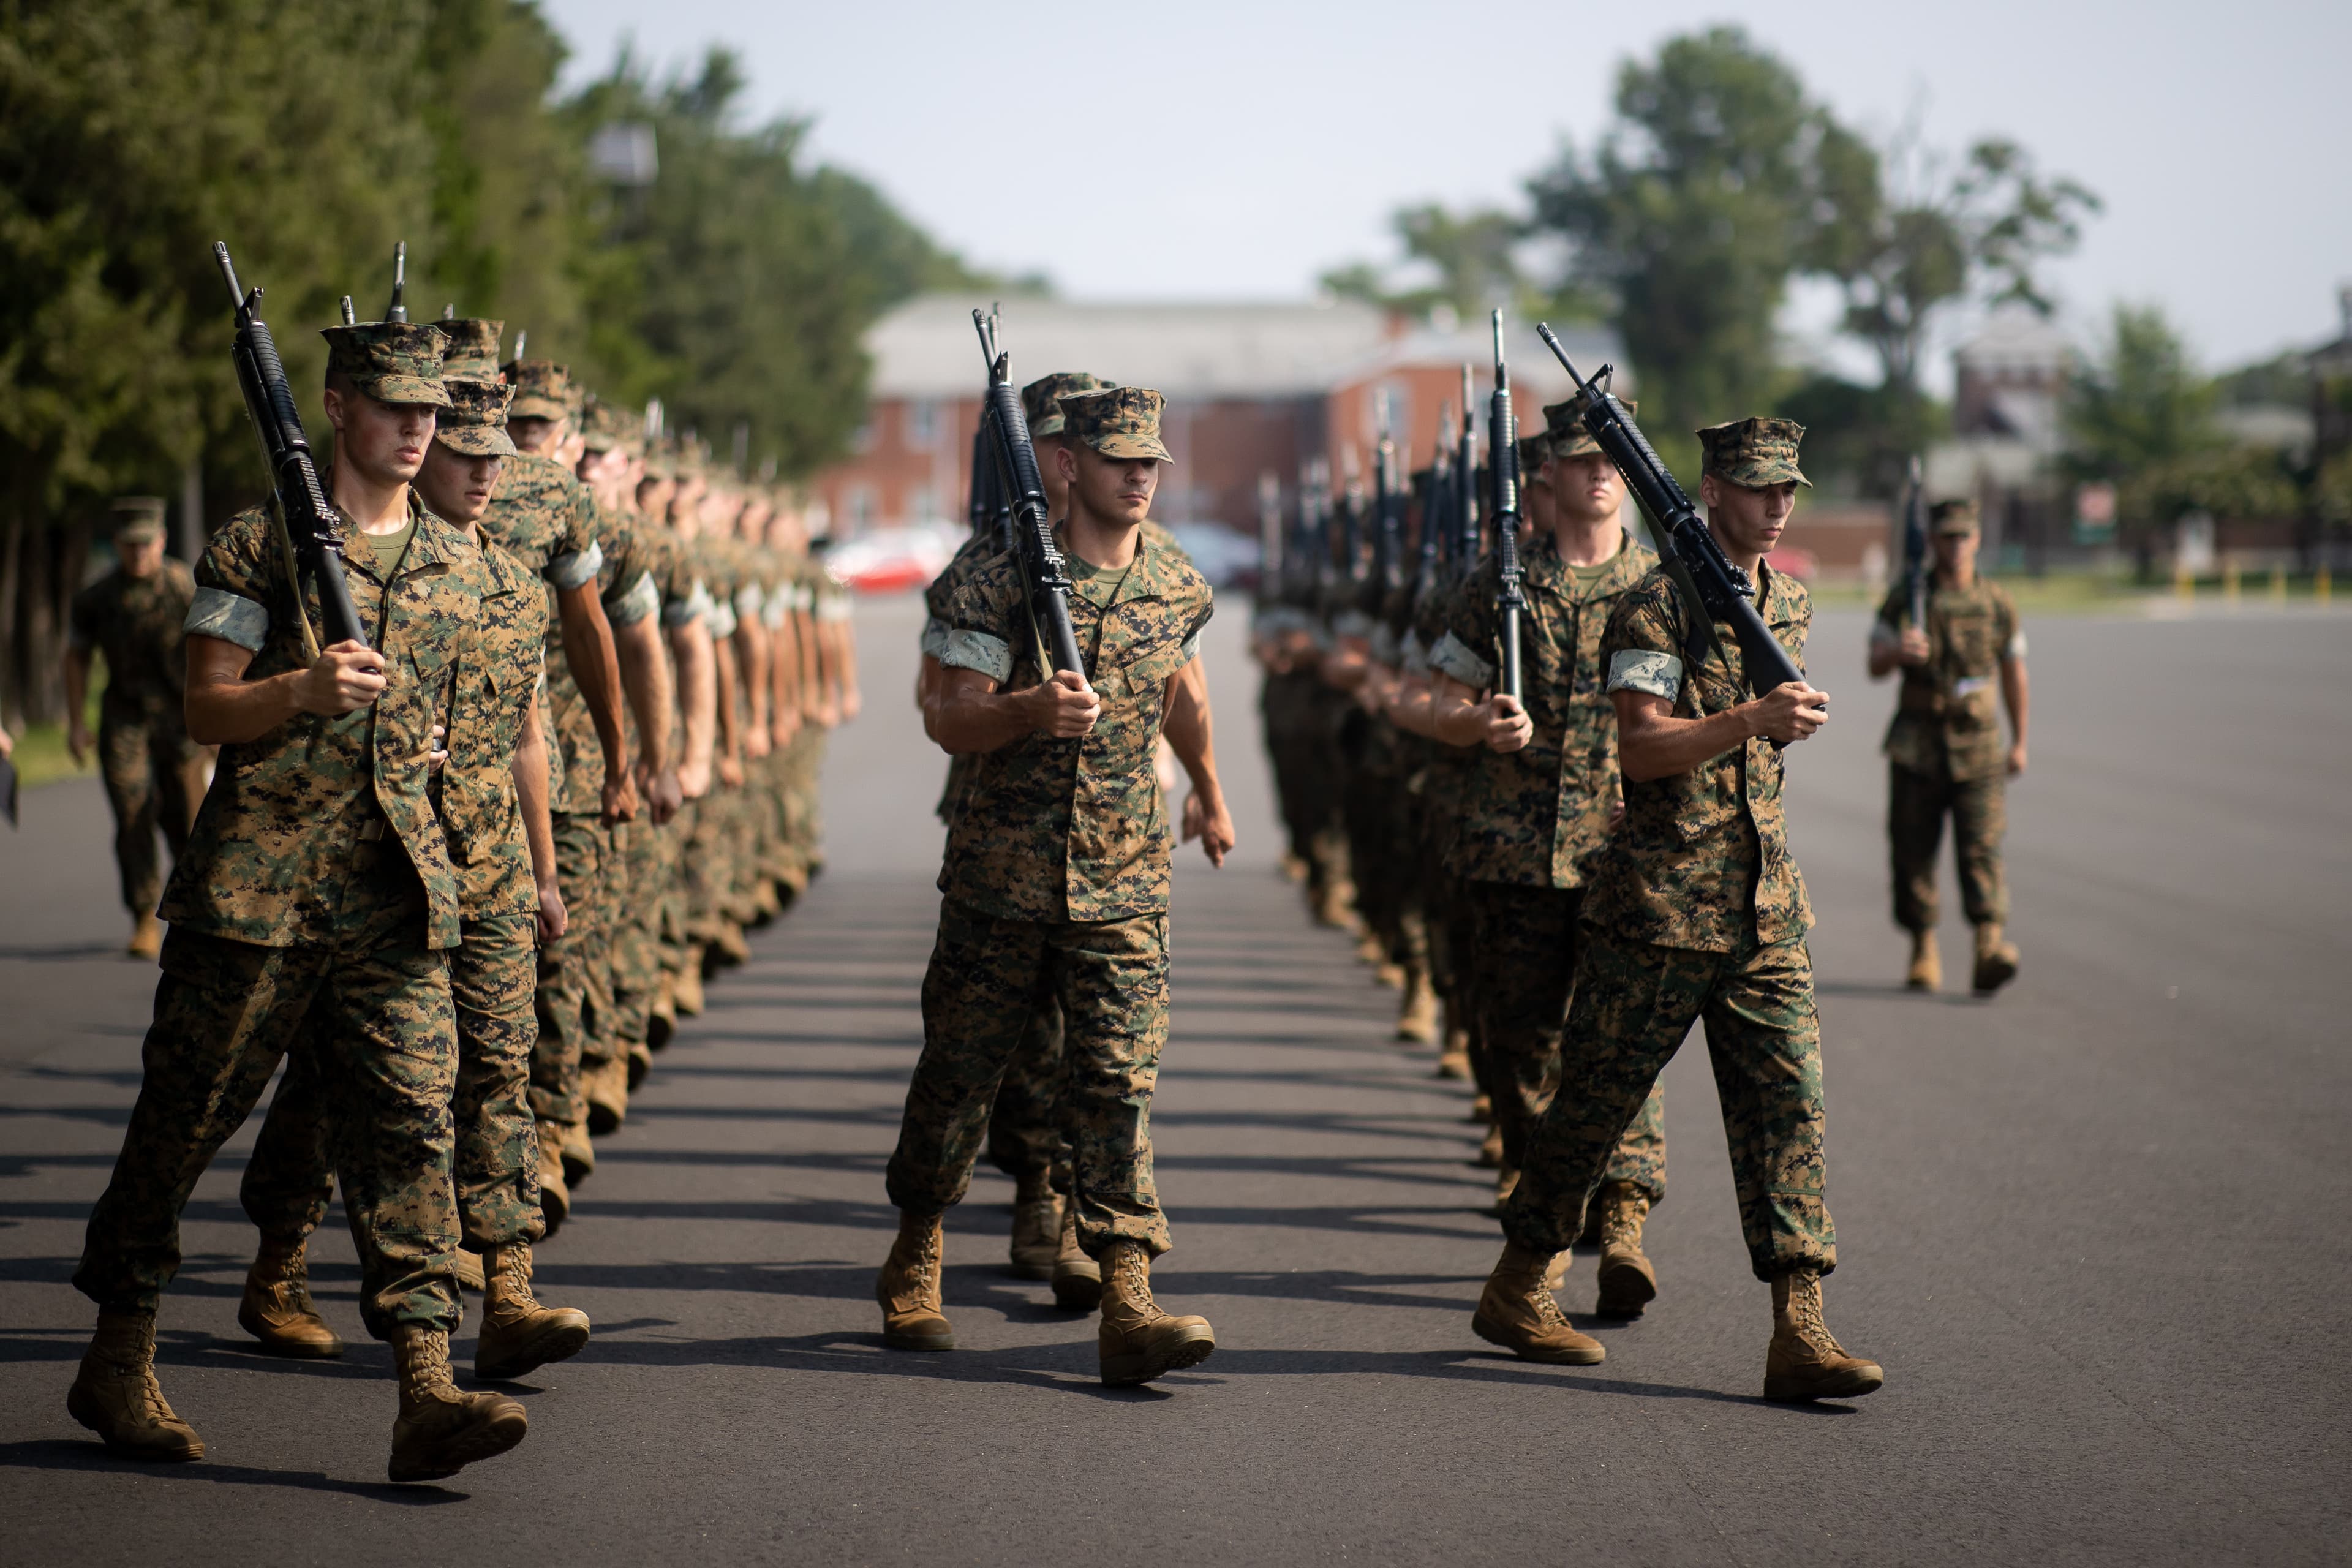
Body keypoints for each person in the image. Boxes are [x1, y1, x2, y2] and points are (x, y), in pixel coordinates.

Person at [67, 320, 530, 1479]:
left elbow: (463, 733)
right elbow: (206, 711)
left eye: (433, 411)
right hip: (259, 894)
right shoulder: (251, 545)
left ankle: (428, 1388)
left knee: (410, 1132)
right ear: (336, 409)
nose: (420, 430)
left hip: (393, 893)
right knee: (182, 1126)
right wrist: (302, 687)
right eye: (396, 408)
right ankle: (117, 1355)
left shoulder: (460, 566)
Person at [1472, 415, 1884, 1404]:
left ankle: (1800, 1328)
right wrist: (1749, 718)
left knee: (1789, 1111)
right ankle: (1521, 1284)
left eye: (1789, 486)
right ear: (1710, 490)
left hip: (1763, 905)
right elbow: (1642, 749)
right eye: (1757, 486)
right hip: (1658, 907)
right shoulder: (1653, 607)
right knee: (1593, 1111)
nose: (1777, 502)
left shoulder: (1786, 601)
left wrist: (1761, 731)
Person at [232, 372, 592, 1381]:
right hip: (375, 866)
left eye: (494, 459)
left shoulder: (513, 586)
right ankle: (280, 1263)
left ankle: (508, 1289)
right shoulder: (345, 571)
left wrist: (543, 874)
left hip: (486, 871)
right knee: (338, 1082)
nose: (482, 475)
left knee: (500, 1070)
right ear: (420, 454)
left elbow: (529, 735)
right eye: (462, 455)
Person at [881, 386, 1227, 1386]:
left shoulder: (1175, 579)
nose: (1141, 474)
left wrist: (1207, 789)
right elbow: (950, 716)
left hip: (1124, 878)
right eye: (1120, 458)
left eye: (1151, 459)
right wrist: (1028, 710)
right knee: (961, 1074)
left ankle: (1129, 1295)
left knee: (1119, 1081)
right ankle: (915, 1254)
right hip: (1003, 873)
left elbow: (1184, 695)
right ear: (1065, 464)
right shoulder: (992, 574)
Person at [1427, 399, 1666, 1315]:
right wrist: (1479, 719)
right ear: (1548, 477)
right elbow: (1437, 699)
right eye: (1581, 460)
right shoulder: (1498, 586)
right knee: (1519, 1047)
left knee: (1619, 1043)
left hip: (1625, 853)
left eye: (1612, 460)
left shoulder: (1662, 587)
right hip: (1512, 853)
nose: (1600, 473)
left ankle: (1626, 1221)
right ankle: (1549, 1209)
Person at [1868, 498, 2029, 996]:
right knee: (1913, 852)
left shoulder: (1997, 602)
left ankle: (1988, 946)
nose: (1955, 546)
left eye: (1964, 536)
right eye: (1946, 536)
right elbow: (1874, 662)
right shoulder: (1907, 595)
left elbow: (2013, 673)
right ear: (1931, 541)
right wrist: (1898, 652)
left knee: (1982, 847)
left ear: (1977, 539)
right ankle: (1924, 949)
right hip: (1918, 744)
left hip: (1978, 745)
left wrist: (2020, 740)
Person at [64, 496, 205, 959]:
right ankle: (144, 916)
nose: (138, 553)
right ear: (118, 546)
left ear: (162, 540)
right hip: (125, 719)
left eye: (146, 544)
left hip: (182, 719)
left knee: (187, 820)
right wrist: (75, 722)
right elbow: (77, 656)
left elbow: (219, 649)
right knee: (132, 813)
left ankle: (193, 916)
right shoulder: (98, 597)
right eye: (129, 545)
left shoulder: (186, 586)